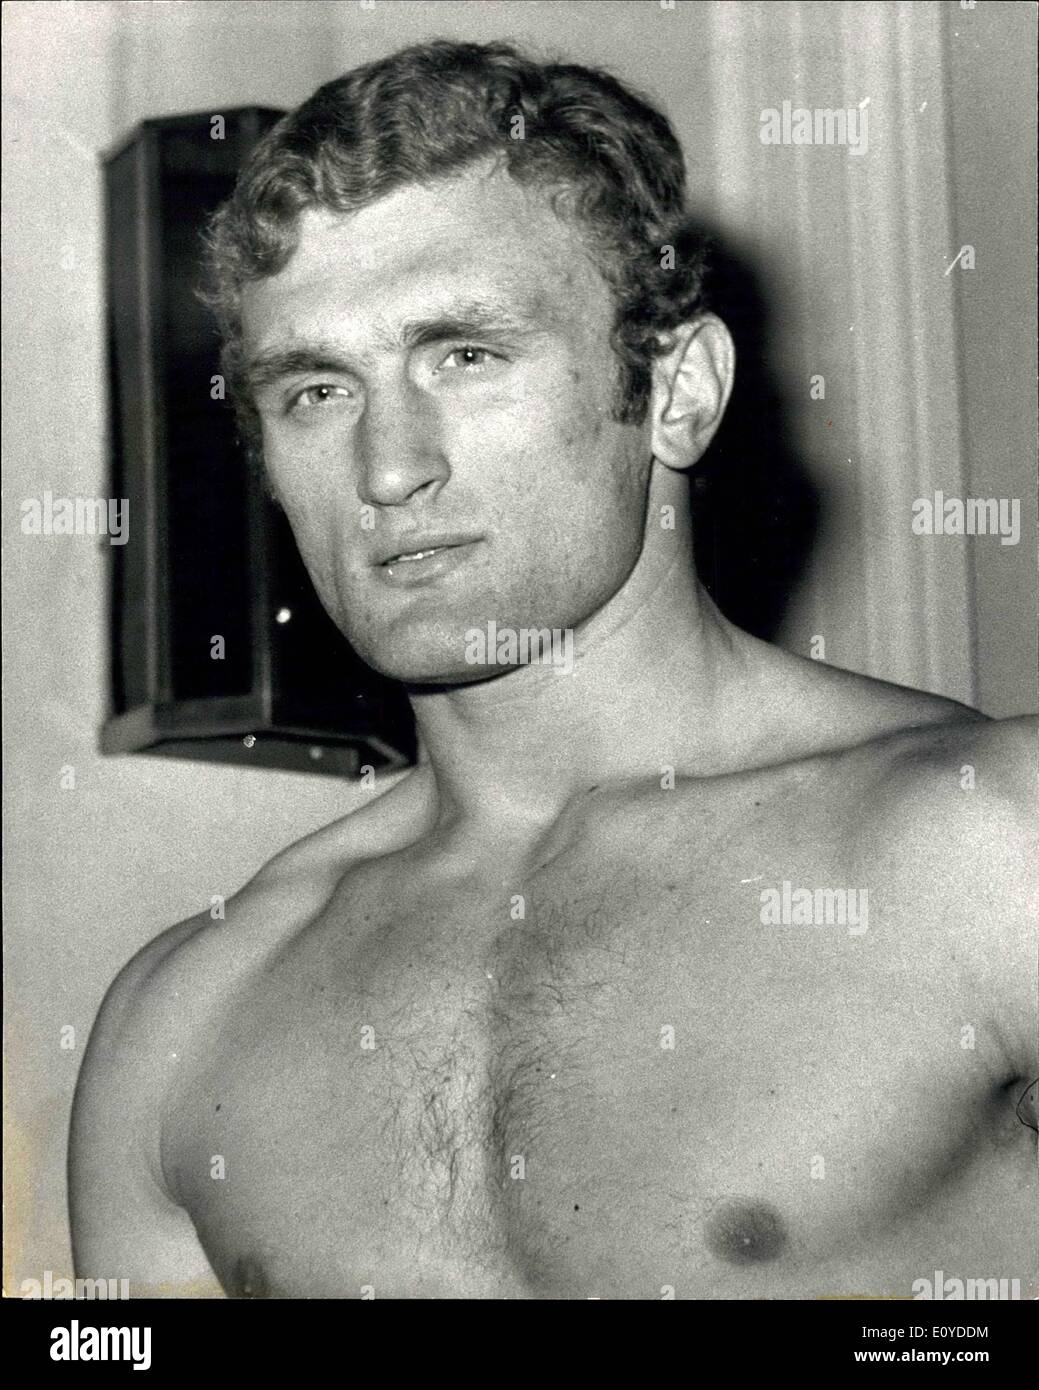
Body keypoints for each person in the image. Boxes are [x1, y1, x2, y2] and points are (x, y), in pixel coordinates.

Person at [69, 40, 1037, 1300]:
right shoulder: (178, 1019)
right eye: (315, 388)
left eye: (465, 355)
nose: (387, 468)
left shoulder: (985, 847)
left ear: (678, 393)